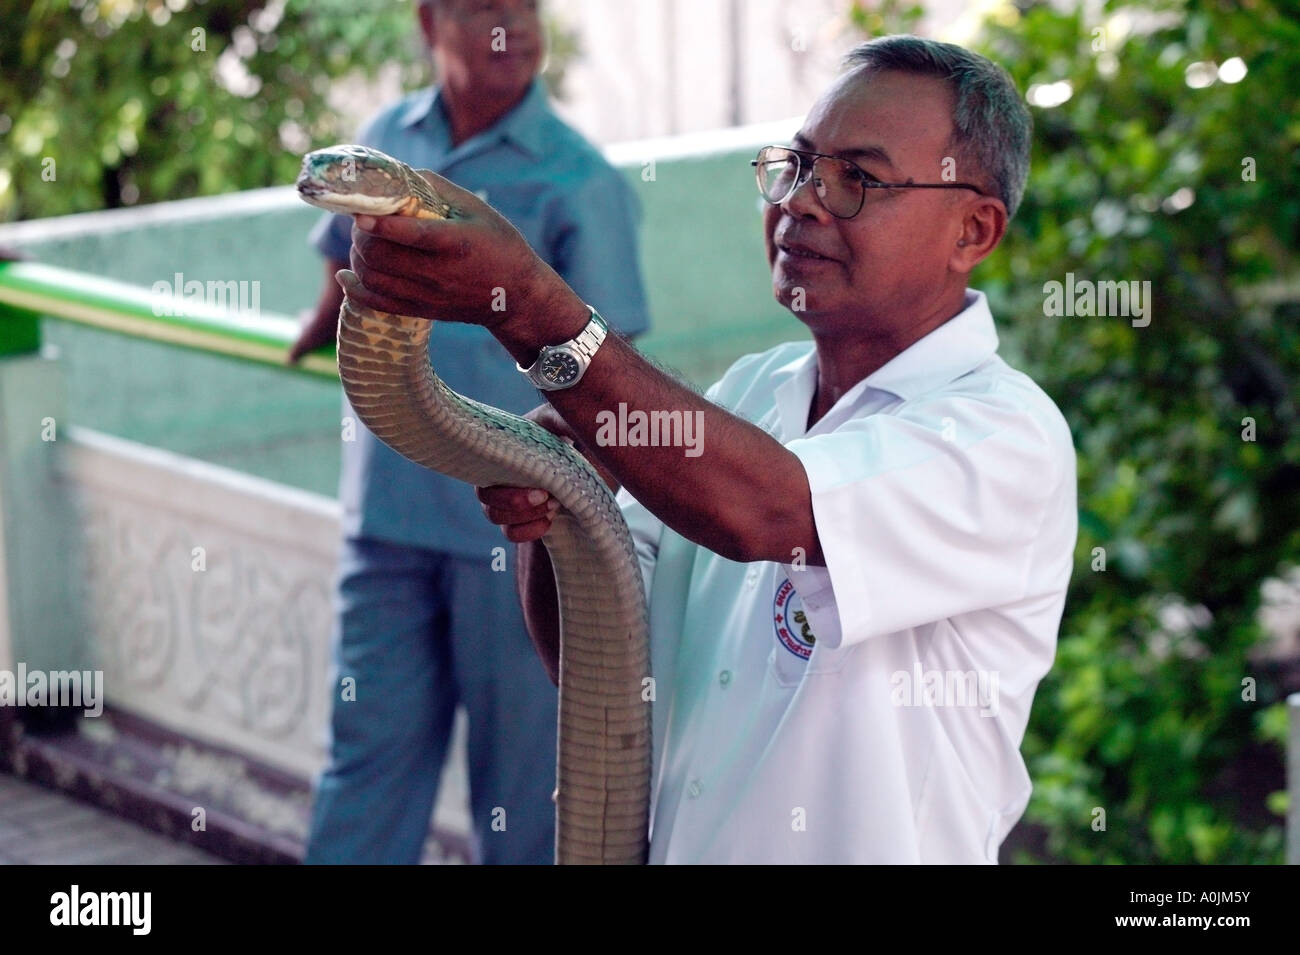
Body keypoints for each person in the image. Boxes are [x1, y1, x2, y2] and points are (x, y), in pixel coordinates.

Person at [339, 35, 1078, 864]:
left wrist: (530, 305)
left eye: (858, 179)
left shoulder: (1005, 436)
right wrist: (560, 506)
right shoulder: (749, 393)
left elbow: (769, 509)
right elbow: (603, 668)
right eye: (796, 165)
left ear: (973, 230)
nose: (802, 201)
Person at [291, 0, 649, 865]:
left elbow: (612, 376)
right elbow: (347, 265)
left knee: (522, 797)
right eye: (487, 6)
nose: (515, 25)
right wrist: (316, 321)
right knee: (363, 765)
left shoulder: (578, 178)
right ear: (429, 22)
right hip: (387, 518)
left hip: (513, 529)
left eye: (525, 7)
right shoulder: (383, 139)